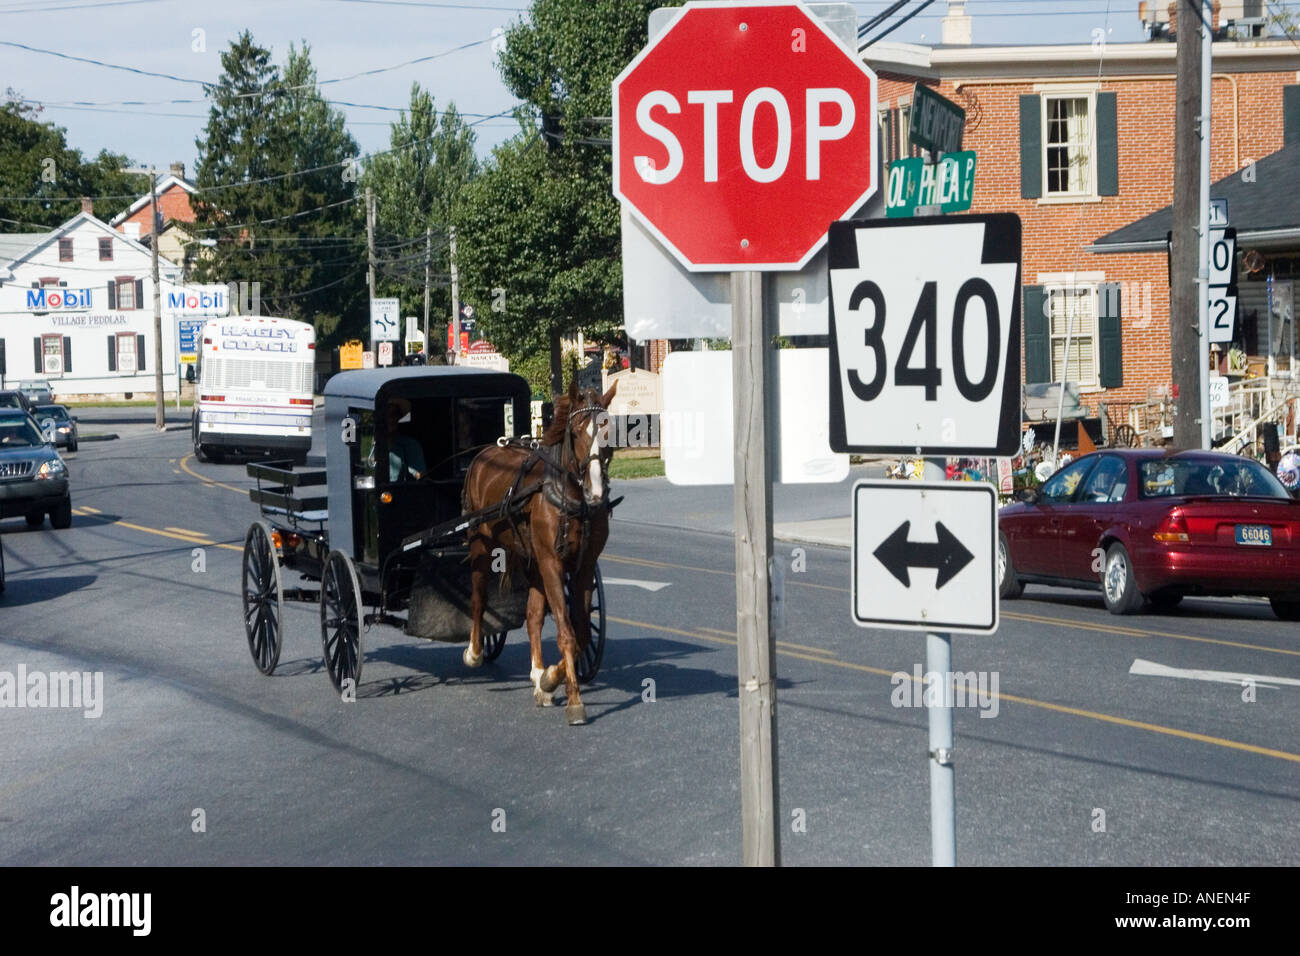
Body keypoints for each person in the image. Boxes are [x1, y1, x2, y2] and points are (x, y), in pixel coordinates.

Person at [385, 397, 426, 482]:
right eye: (385, 414)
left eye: (394, 414)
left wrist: (420, 476)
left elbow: (419, 475)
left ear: (399, 417)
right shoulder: (367, 445)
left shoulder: (410, 445)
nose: (390, 419)